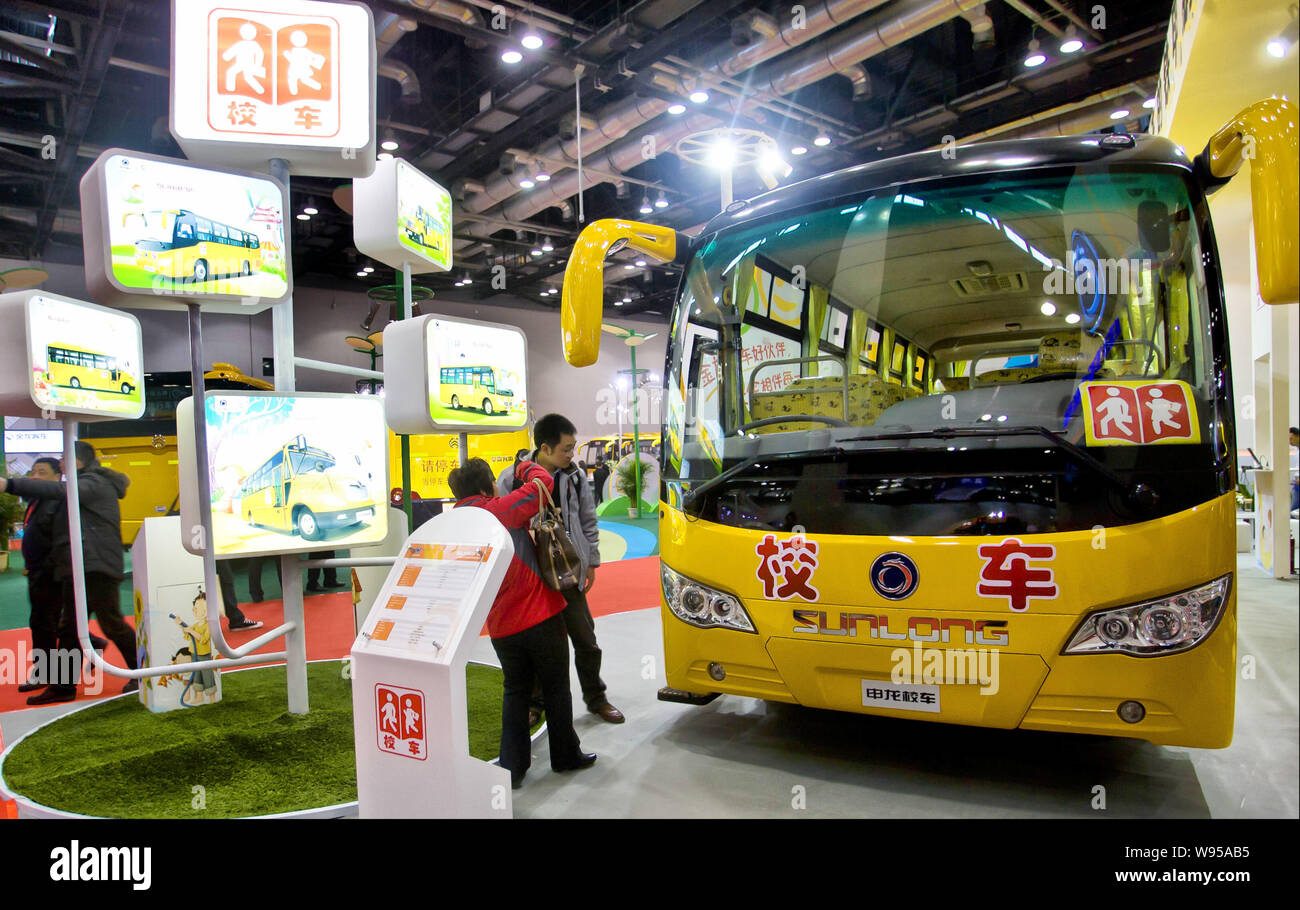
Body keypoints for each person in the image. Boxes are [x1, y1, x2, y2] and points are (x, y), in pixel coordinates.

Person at [449, 457, 595, 789]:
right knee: (556, 688)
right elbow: (544, 482)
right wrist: (523, 466)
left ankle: (512, 767)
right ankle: (565, 756)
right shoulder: (499, 509)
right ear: (487, 487)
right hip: (539, 616)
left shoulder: (457, 524)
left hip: (500, 626)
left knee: (515, 692)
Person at [498, 414, 625, 725]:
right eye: (566, 449)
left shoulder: (576, 476)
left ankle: (596, 698)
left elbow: (587, 520)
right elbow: (504, 524)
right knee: (539, 645)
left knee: (585, 639)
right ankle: (535, 705)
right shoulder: (511, 478)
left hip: (568, 571)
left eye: (573, 448)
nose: (572, 455)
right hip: (532, 576)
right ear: (545, 447)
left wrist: (591, 562)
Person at [2, 441, 139, 704]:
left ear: (77, 461)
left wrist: (9, 485)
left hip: (94, 566)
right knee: (71, 628)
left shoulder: (92, 483)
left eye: (64, 459)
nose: (61, 465)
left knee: (109, 623)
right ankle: (63, 687)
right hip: (83, 566)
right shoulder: (90, 483)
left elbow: (60, 491)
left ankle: (144, 672)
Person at [14, 458, 107, 691]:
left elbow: (60, 540)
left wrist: (47, 569)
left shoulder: (59, 500)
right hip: (38, 571)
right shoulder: (38, 500)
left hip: (51, 573)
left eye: (42, 472)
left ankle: (46, 674)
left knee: (43, 623)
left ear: (58, 477)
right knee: (49, 622)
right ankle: (92, 644)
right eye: (33, 472)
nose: (35, 476)